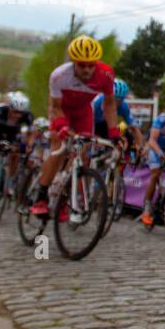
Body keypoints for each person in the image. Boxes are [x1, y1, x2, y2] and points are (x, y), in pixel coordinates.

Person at [31, 35, 119, 216]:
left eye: (91, 65)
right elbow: (55, 107)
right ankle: (41, 196)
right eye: (81, 65)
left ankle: (64, 197)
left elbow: (109, 105)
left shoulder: (106, 75)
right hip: (61, 110)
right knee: (59, 148)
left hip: (83, 112)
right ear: (73, 63)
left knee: (83, 154)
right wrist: (62, 125)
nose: (87, 70)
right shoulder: (60, 75)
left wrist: (114, 132)